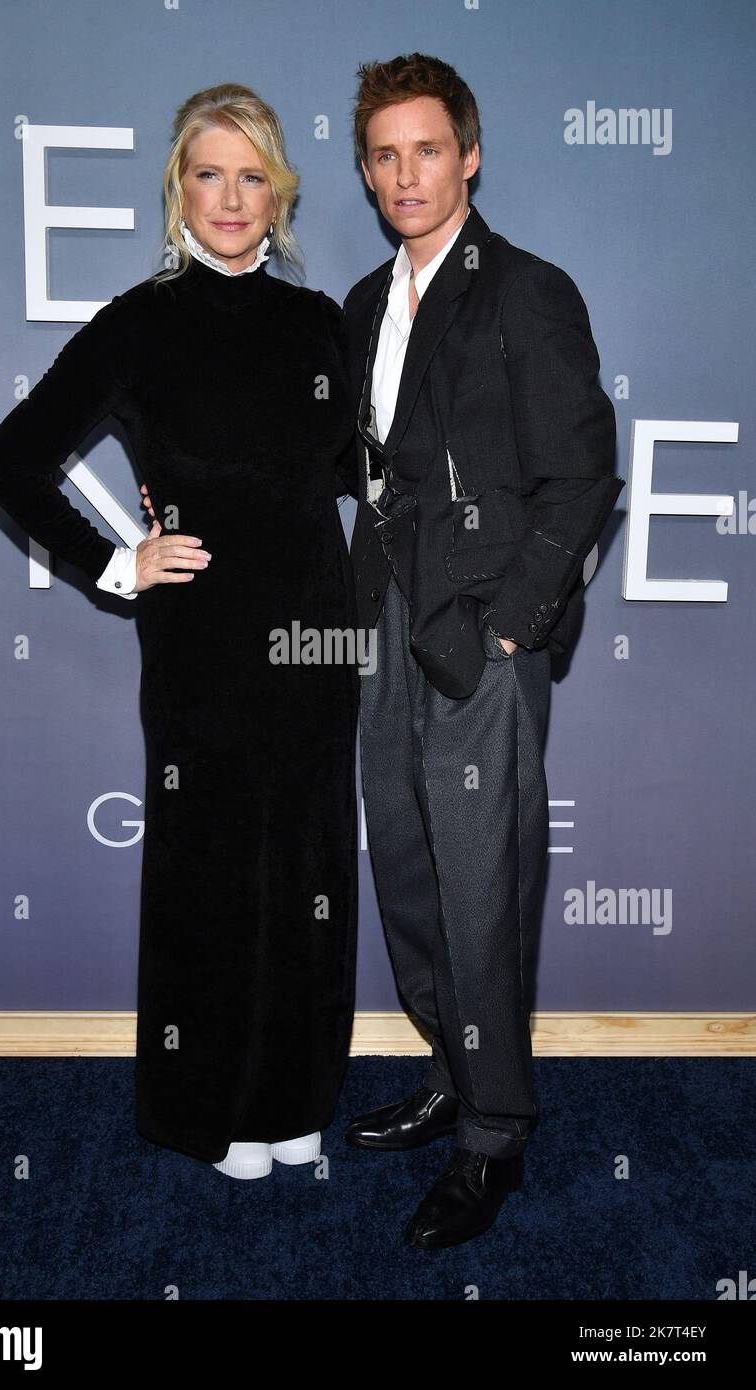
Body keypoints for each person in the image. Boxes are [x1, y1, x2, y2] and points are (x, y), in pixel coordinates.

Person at [0, 83, 360, 1181]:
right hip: (203, 645)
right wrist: (116, 560)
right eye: (208, 173)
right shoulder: (138, 324)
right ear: (178, 189)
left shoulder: (317, 321)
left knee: (312, 870)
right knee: (213, 880)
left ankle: (296, 1096)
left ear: (279, 192)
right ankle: (213, 1107)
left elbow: (341, 472)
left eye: (251, 176)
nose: (230, 197)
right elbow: (10, 462)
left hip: (320, 636)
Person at [339, 53, 625, 1247]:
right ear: (366, 169)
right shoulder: (359, 306)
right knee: (406, 867)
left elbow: (581, 475)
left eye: (426, 149)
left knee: (480, 885)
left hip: (484, 638)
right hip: (386, 627)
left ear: (467, 155)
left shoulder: (527, 291)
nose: (406, 174)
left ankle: (493, 1136)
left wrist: (514, 621)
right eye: (383, 154)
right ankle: (455, 1064)